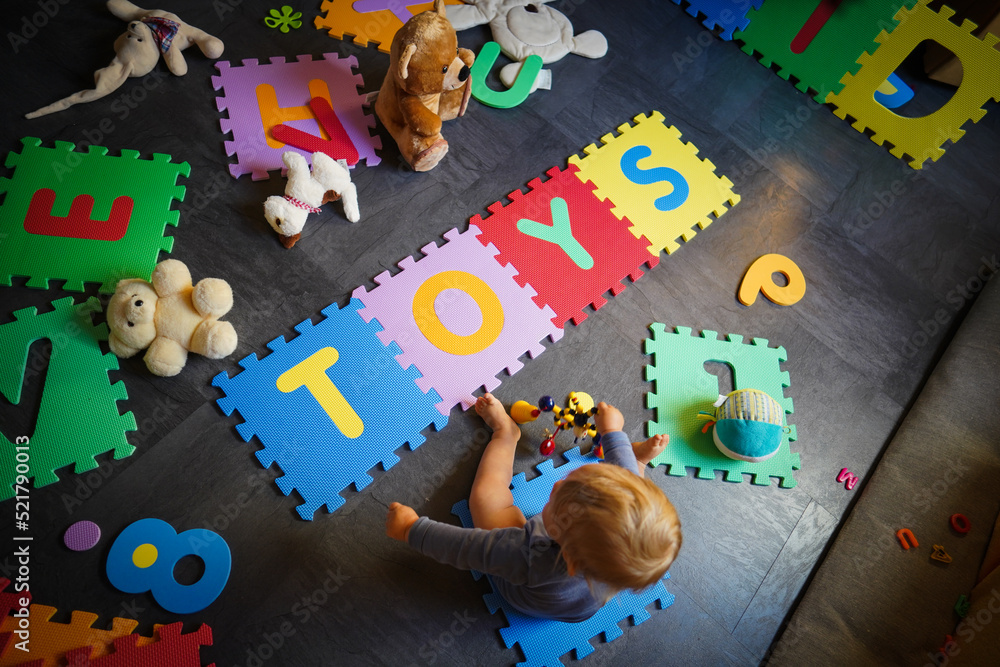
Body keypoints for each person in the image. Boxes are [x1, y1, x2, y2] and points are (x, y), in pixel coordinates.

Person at [385, 393, 682, 622]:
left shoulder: (529, 555)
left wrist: (412, 529)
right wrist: (614, 433)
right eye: (568, 478)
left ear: (564, 547)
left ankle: (505, 434)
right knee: (631, 489)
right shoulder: (624, 542)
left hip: (527, 594)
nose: (554, 485)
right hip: (582, 606)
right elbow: (627, 480)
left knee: (487, 498)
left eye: (559, 499)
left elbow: (465, 547)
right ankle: (641, 460)